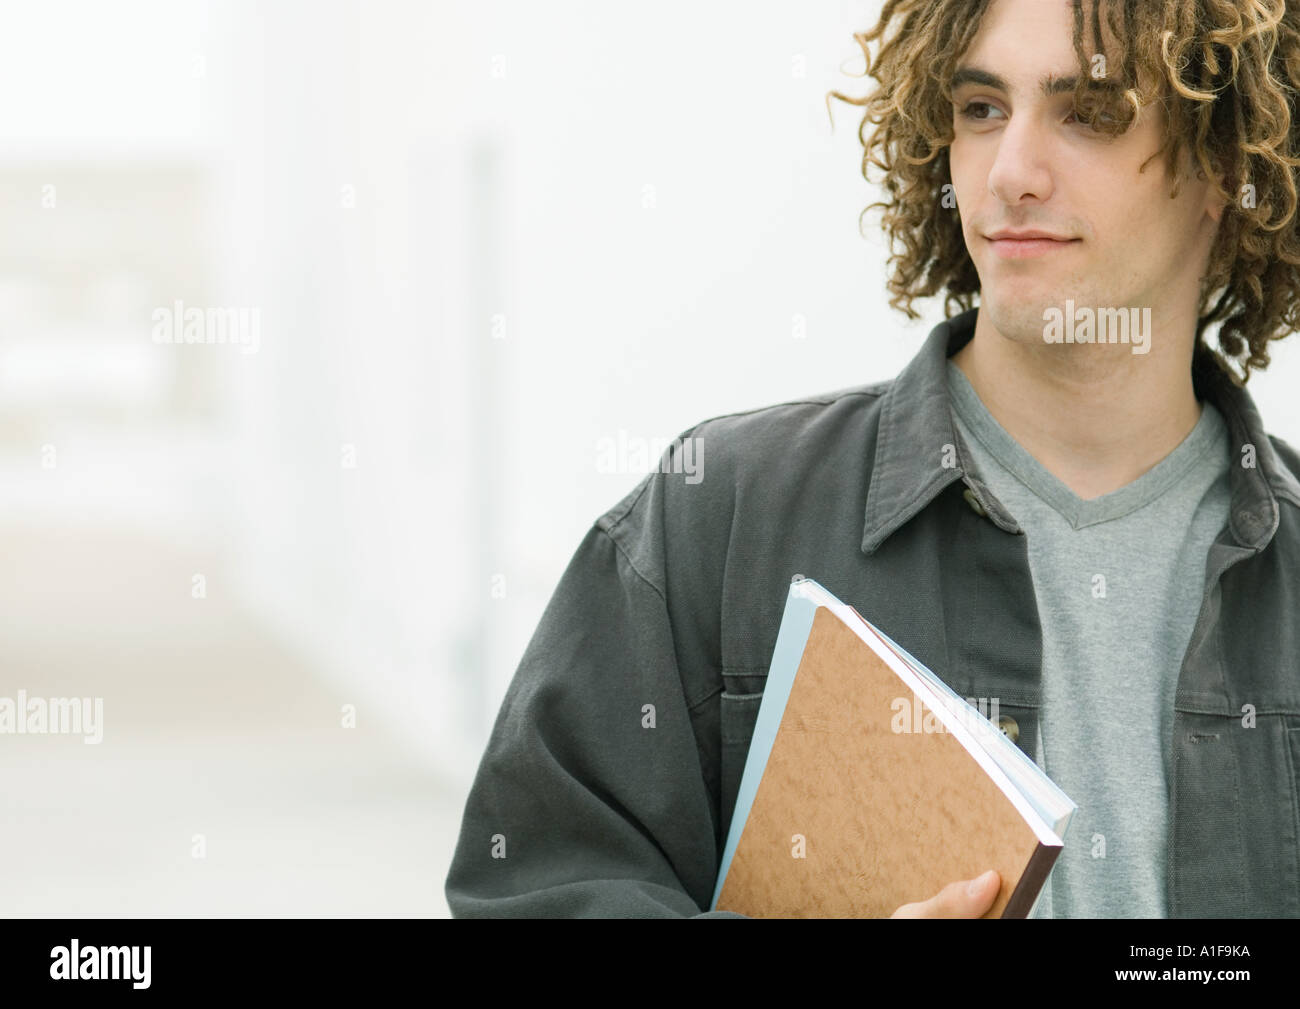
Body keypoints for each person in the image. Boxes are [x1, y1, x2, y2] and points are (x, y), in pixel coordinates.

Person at [445, 0, 1300, 918]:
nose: (1009, 171)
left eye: (1087, 113)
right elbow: (534, 889)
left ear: (1227, 162)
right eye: (980, 108)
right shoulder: (718, 518)